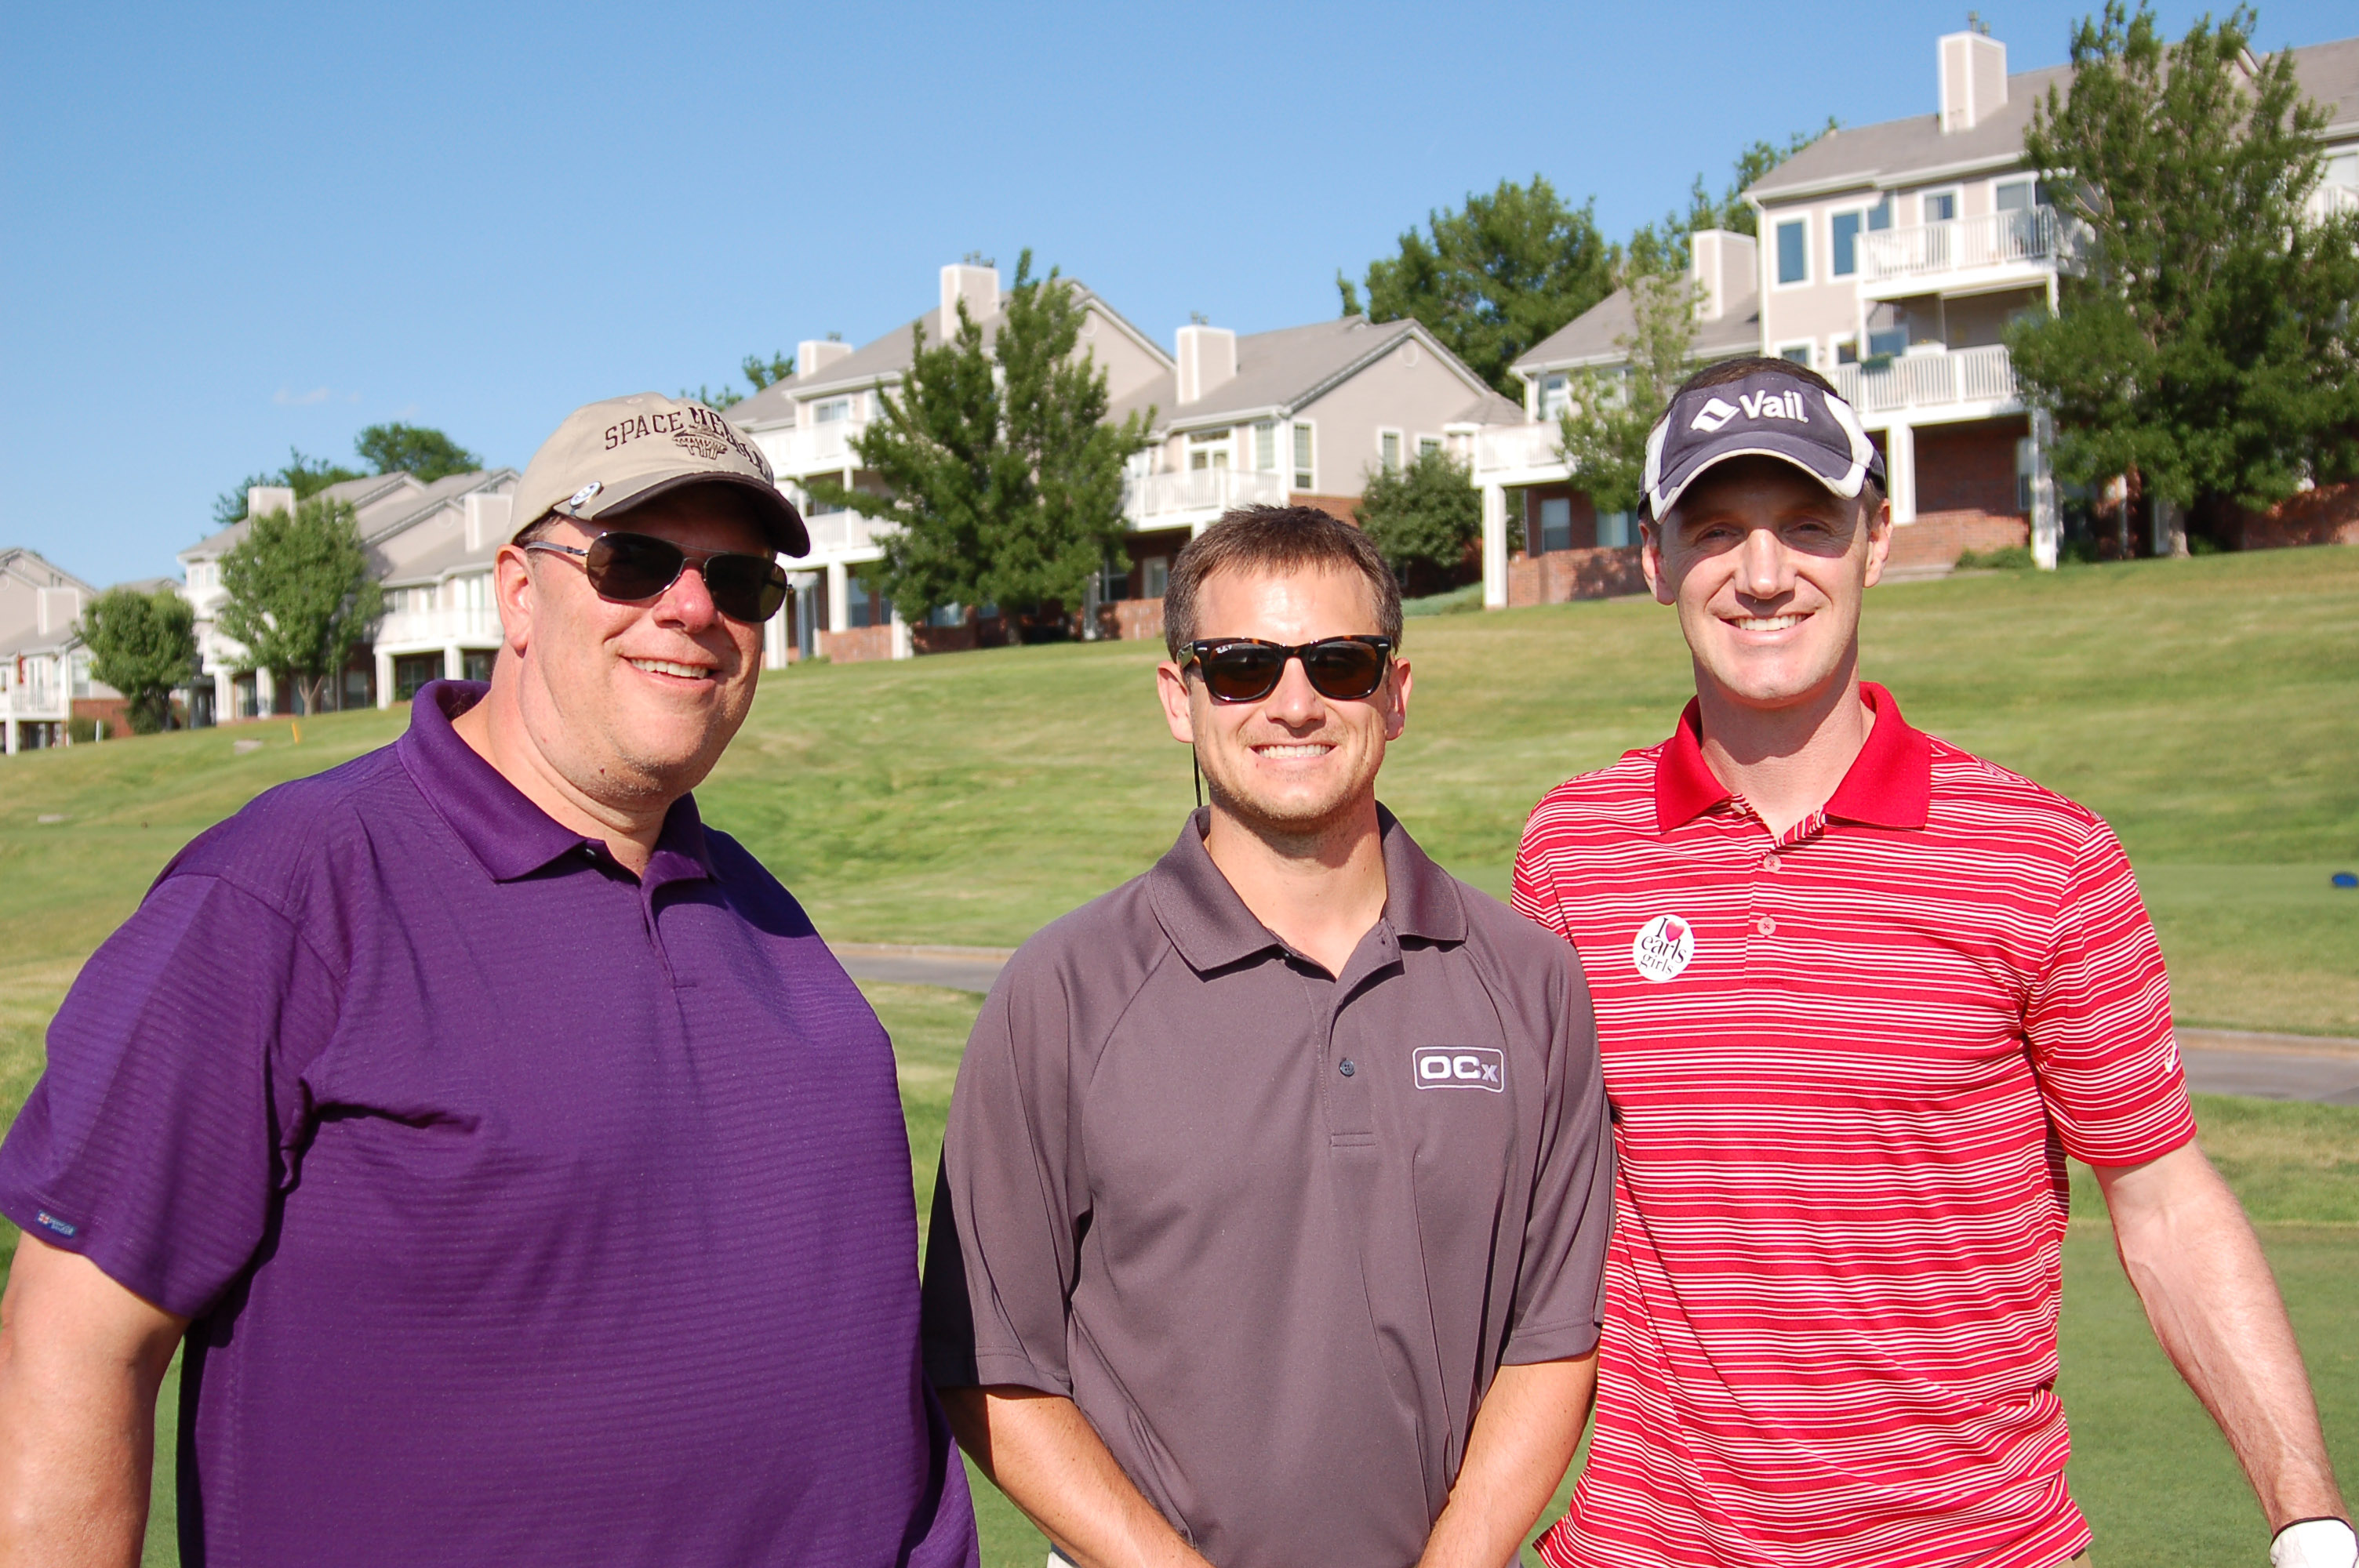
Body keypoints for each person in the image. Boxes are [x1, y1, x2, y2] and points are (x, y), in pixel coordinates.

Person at [0, 393, 978, 1568]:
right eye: (635, 561)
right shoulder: (286, 893)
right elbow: (75, 1347)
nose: (692, 609)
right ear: (518, 592)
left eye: (744, 582)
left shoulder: (764, 916)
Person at [1514, 358, 2353, 1568]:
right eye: (1716, 531)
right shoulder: (1572, 852)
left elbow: (2163, 1200)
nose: (1763, 575)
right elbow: (1528, 1221)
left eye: (1809, 524)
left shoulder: (2046, 857)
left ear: (1877, 539)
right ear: (1654, 561)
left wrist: (2307, 1516)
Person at [920, 505, 1616, 1568]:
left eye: (1340, 663)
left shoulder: (1529, 982)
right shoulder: (1058, 995)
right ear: (1178, 695)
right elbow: (992, 1364)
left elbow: (1554, 1335)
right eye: (1243, 666)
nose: (1295, 705)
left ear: (1396, 692)